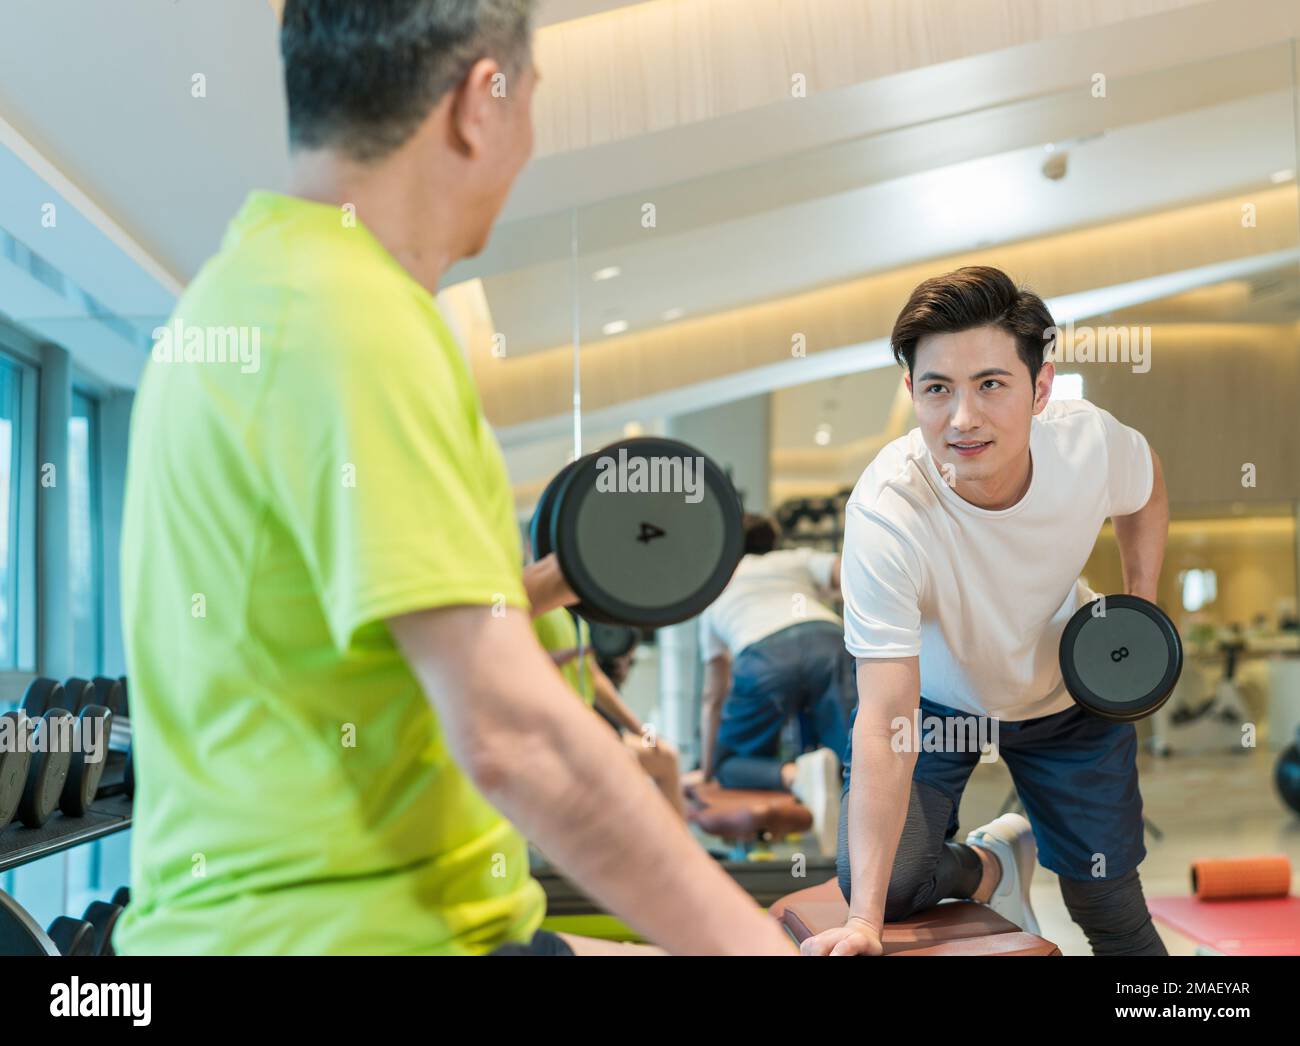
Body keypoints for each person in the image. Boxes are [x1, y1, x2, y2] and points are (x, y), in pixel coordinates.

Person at [116, 0, 792, 957]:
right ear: (484, 100)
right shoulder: (353, 320)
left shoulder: (247, 294)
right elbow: (514, 739)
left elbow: (374, 647)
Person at [804, 266, 1170, 957]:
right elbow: (885, 720)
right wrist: (863, 924)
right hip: (937, 705)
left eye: (991, 385)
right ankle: (994, 863)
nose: (963, 418)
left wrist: (1137, 612)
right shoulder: (887, 511)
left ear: (1041, 388)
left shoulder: (1086, 442)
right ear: (911, 390)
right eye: (938, 388)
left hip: (1066, 695)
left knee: (1107, 905)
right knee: (888, 883)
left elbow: (1147, 490)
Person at [695, 514, 854, 856]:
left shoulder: (715, 588)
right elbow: (856, 575)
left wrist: (709, 770)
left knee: (729, 764)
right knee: (856, 756)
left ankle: (796, 774)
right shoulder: (793, 559)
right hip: (829, 640)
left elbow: (713, 697)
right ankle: (862, 854)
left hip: (763, 656)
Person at [535, 608, 684, 820]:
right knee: (624, 768)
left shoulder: (579, 619)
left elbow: (593, 677)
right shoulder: (536, 607)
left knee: (665, 757)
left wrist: (641, 731)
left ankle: (676, 852)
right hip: (556, 737)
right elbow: (517, 666)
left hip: (586, 731)